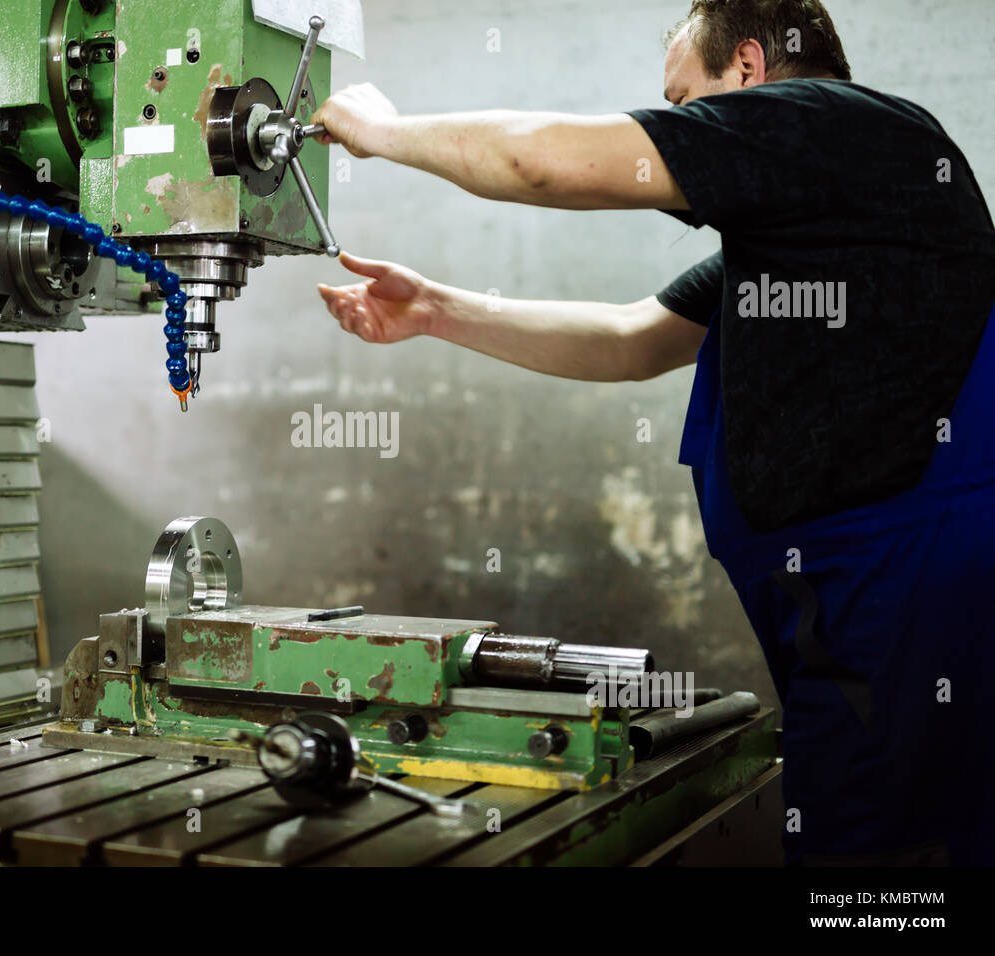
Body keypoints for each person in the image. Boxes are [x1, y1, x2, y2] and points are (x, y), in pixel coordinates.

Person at [311, 0, 995, 865]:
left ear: (748, 68)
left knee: (874, 861)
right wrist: (437, 312)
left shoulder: (832, 124)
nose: (679, 126)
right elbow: (633, 340)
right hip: (857, 600)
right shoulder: (813, 229)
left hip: (899, 594)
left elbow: (541, 163)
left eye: (684, 101)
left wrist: (386, 131)